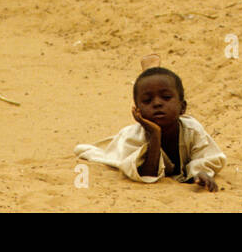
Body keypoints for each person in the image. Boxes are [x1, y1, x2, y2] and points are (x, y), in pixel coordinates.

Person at [75, 66, 225, 191]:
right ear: (137, 110)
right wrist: (155, 134)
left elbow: (207, 156)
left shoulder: (192, 129)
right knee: (102, 153)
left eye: (166, 97)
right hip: (124, 146)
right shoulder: (133, 137)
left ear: (183, 107)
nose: (157, 103)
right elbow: (147, 174)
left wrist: (200, 173)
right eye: (147, 100)